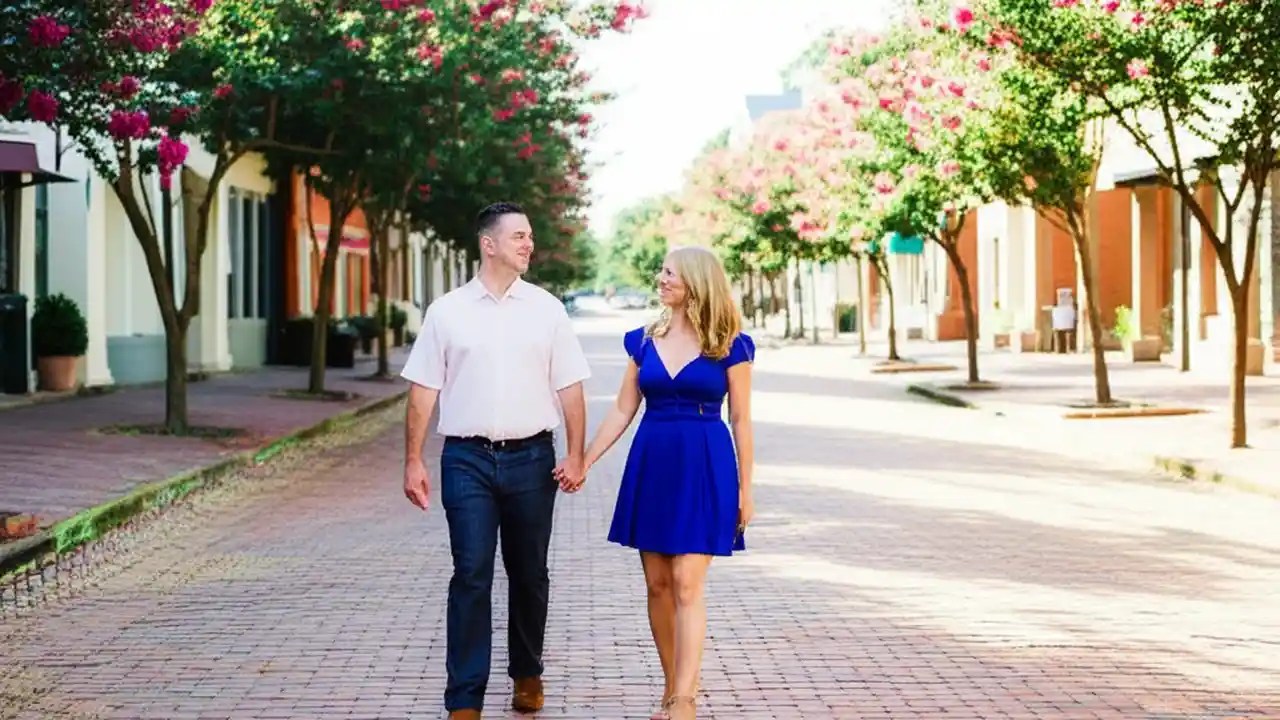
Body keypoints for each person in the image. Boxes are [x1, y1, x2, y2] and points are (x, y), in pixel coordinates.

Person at [401, 201, 590, 720]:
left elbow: (570, 387)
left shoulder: (548, 309)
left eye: (530, 236)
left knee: (529, 573)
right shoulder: (446, 312)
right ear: (489, 244)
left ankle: (527, 672)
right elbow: (422, 390)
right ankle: (465, 699)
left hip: (533, 458)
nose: (529, 244)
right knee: (471, 573)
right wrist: (413, 460)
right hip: (466, 460)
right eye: (519, 237)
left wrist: (575, 454)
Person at [557, 245, 755, 720]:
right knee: (658, 584)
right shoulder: (643, 339)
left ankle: (684, 700)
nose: (661, 278)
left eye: (670, 272)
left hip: (706, 463)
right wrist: (583, 459)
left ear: (696, 282)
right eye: (662, 270)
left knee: (688, 582)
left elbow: (742, 420)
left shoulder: (731, 343)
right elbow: (625, 408)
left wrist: (747, 491)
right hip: (654, 460)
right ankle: (674, 684)